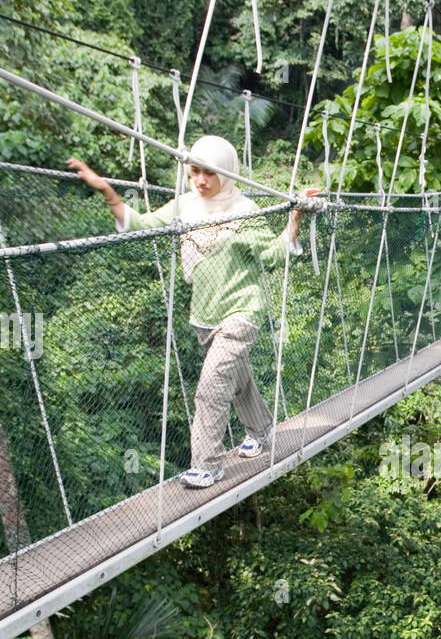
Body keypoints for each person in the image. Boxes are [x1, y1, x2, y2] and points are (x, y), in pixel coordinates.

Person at [67, 137, 317, 489]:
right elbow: (141, 224)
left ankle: (208, 465)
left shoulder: (244, 212)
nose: (201, 181)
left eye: (210, 174)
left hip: (242, 312)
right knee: (239, 379)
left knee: (212, 388)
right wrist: (105, 189)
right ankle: (260, 430)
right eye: (195, 171)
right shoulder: (185, 205)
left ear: (227, 174)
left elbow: (274, 256)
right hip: (204, 316)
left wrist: (295, 218)